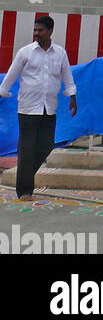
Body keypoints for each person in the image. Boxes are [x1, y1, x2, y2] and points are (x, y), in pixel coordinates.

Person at [0, 14, 77, 200]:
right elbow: (11, 75)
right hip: (27, 108)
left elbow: (67, 76)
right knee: (27, 149)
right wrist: (2, 92)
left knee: (46, 146)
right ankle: (25, 191)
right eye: (35, 30)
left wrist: (72, 96)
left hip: (49, 108)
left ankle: (24, 174)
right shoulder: (25, 52)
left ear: (50, 31)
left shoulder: (60, 53)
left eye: (40, 30)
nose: (36, 33)